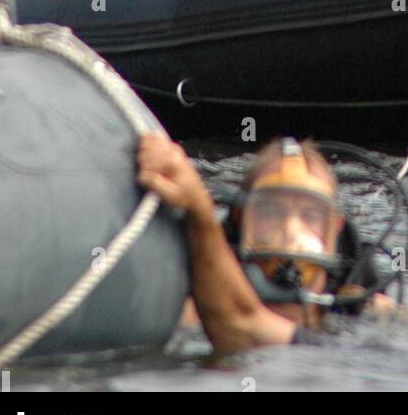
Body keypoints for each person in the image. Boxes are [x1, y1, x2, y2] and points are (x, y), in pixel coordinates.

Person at [137, 132, 389, 350]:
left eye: (310, 215)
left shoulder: (375, 317)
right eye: (271, 212)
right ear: (241, 221)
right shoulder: (190, 313)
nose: (290, 231)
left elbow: (241, 324)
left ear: (335, 230)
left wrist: (199, 211)